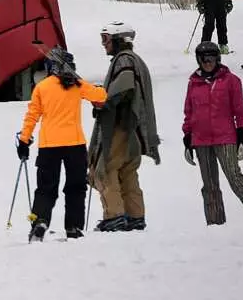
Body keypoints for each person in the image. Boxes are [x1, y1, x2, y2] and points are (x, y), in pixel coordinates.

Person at [17, 48, 107, 241]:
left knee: (45, 188)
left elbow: (32, 115)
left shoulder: (42, 87)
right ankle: (73, 226)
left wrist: (25, 139)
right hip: (75, 144)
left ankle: (40, 221)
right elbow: (100, 97)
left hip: (49, 146)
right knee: (75, 187)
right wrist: (96, 87)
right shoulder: (77, 84)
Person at [184, 42, 243, 224]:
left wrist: (242, 138)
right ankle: (215, 222)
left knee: (234, 177)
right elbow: (189, 113)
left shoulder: (231, 80)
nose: (207, 62)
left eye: (211, 58)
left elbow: (239, 111)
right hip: (201, 139)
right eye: (203, 59)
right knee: (210, 185)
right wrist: (187, 139)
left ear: (218, 58)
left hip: (225, 137)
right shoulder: (193, 83)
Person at [90, 22, 159, 232]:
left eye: (106, 39)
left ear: (119, 40)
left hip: (120, 127)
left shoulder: (124, 60)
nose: (104, 44)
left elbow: (124, 86)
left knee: (105, 169)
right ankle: (135, 215)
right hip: (134, 129)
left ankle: (114, 216)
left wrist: (104, 101)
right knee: (128, 172)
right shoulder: (136, 59)